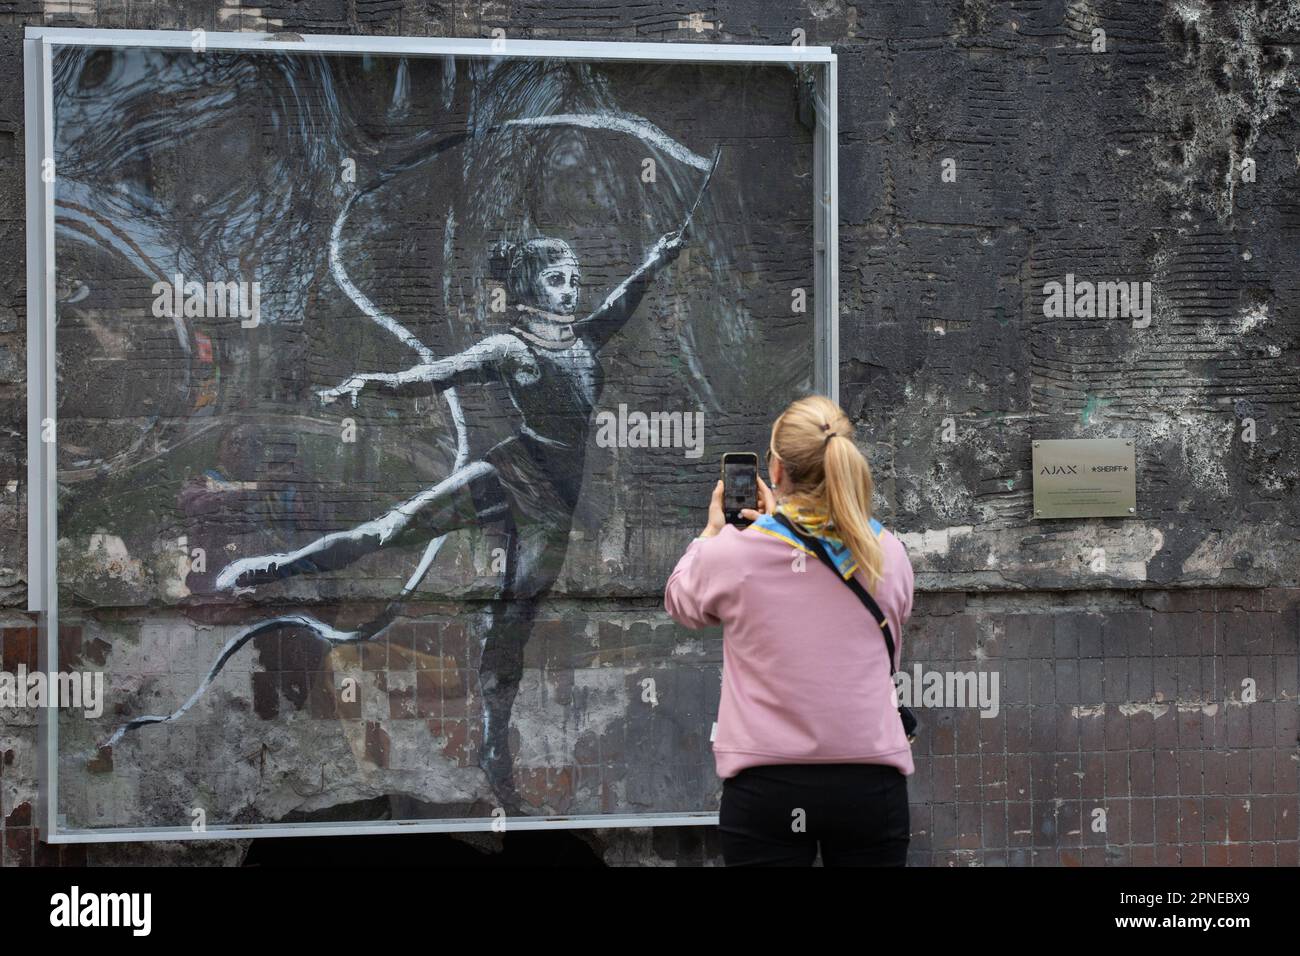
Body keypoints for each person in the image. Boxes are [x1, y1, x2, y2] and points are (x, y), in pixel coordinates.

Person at [663, 394, 915, 866]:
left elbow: (681, 602)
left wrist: (714, 532)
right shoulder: (888, 552)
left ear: (776, 470)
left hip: (767, 788)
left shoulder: (734, 554)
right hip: (869, 783)